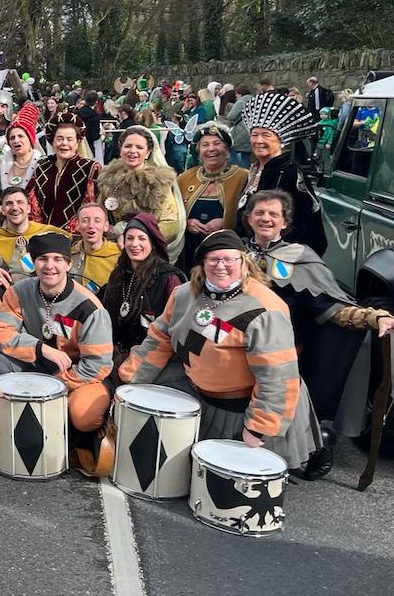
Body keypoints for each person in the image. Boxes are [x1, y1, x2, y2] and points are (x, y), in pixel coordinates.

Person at [119, 230, 321, 472]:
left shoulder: (266, 308)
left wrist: (259, 426)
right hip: (203, 396)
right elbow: (159, 339)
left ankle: (320, 450)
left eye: (229, 259)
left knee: (238, 483)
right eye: (213, 259)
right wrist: (131, 381)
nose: (221, 266)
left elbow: (276, 374)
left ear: (243, 262)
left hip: (246, 407)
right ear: (202, 265)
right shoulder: (183, 295)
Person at [244, 190, 394, 477]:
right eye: (259, 212)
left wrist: (371, 317)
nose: (266, 218)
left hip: (280, 348)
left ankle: (305, 449)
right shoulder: (232, 252)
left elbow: (330, 305)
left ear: (284, 223)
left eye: (274, 214)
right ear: (248, 217)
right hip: (234, 342)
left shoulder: (300, 258)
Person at [0, 233, 114, 467]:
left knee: (83, 416)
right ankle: (17, 425)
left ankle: (76, 438)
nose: (50, 266)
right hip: (40, 360)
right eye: (43, 259)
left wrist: (56, 385)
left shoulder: (89, 306)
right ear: (34, 263)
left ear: (69, 263)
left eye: (57, 259)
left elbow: (99, 364)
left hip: (79, 372)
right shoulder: (20, 291)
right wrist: (38, 348)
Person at [235, 91, 327, 254]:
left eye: (266, 135)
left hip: (277, 258)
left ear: (281, 140)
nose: (258, 140)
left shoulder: (290, 173)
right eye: (254, 134)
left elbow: (306, 225)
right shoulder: (255, 169)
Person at [100, 213, 185, 385]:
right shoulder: (118, 275)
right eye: (129, 238)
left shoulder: (169, 278)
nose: (135, 244)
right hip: (116, 357)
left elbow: (176, 328)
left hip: (153, 363)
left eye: (141, 238)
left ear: (152, 243)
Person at [96, 126, 184, 261]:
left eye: (139, 147)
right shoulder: (109, 177)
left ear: (148, 152)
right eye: (128, 146)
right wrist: (112, 233)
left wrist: (134, 238)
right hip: (114, 249)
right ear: (121, 149)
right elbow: (101, 214)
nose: (132, 151)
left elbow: (171, 224)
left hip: (146, 251)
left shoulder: (159, 182)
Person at [176, 123, 248, 271]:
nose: (211, 149)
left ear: (227, 149)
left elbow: (250, 215)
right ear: (199, 151)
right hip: (189, 254)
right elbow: (173, 213)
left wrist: (226, 222)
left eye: (217, 143)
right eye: (205, 145)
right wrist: (187, 222)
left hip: (226, 256)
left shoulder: (243, 177)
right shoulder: (184, 178)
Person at [28, 118, 100, 233]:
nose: (64, 143)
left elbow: (91, 206)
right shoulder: (41, 168)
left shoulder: (90, 168)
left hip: (77, 238)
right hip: (42, 236)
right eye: (59, 139)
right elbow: (32, 204)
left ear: (77, 143)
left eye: (70, 139)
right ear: (53, 142)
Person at [0, 187, 66, 282]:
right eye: (9, 203)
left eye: (20, 202)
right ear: (2, 210)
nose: (15, 208)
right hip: (9, 293)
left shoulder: (50, 233)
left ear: (28, 208)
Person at [0, 104, 42, 224]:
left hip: (34, 228)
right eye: (12, 137)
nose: (16, 140)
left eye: (21, 136)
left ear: (30, 138)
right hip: (3, 228)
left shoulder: (43, 166)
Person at [68, 203, 119, 294]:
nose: (91, 225)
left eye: (97, 220)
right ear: (77, 225)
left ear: (106, 226)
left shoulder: (119, 255)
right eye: (85, 220)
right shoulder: (69, 255)